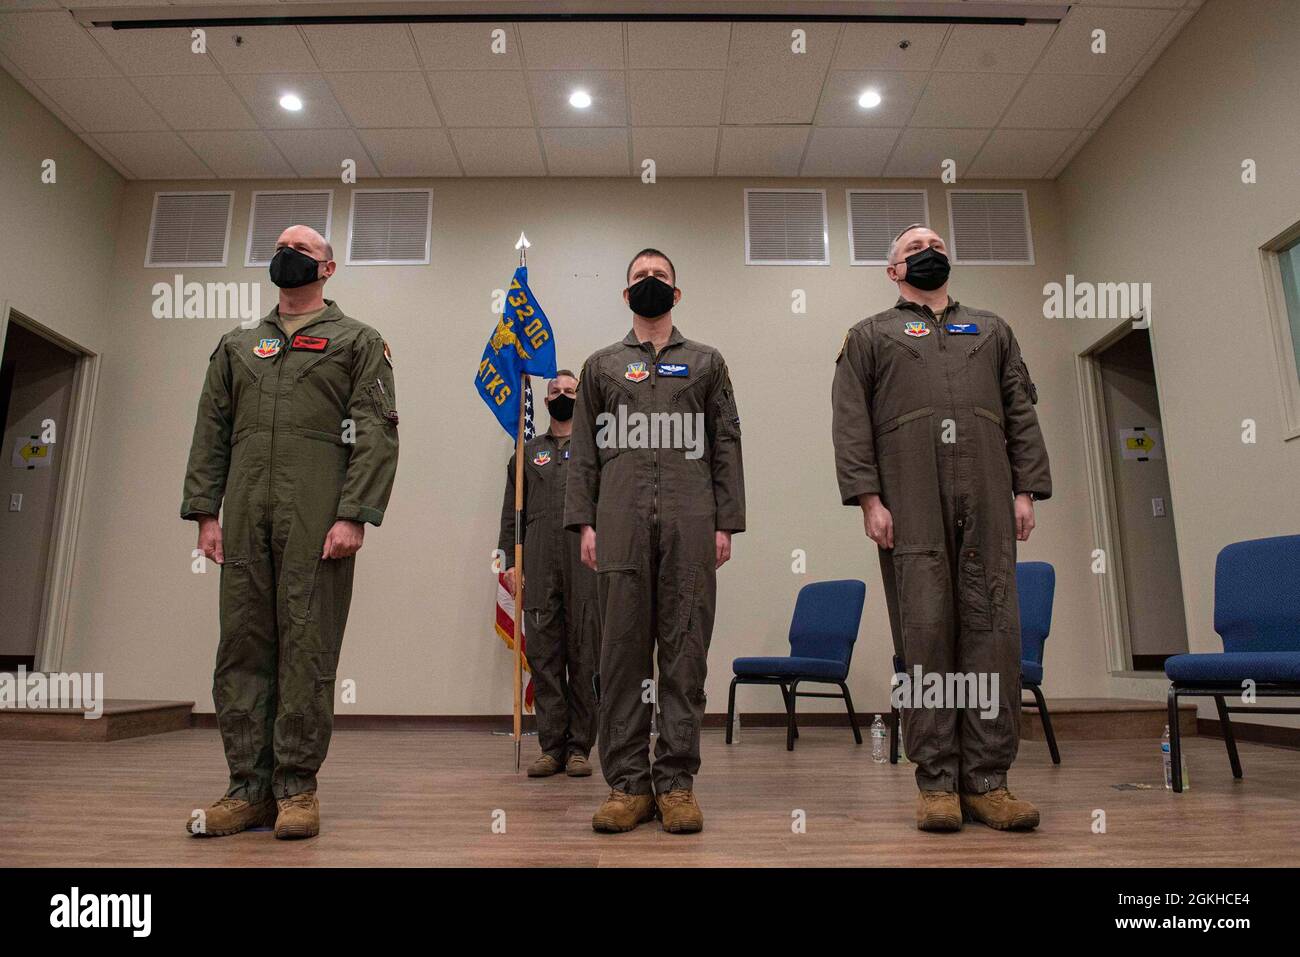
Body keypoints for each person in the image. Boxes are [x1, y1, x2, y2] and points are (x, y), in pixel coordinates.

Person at [180, 224, 399, 840]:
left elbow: (377, 432)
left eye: (302, 249)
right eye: (280, 247)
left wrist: (354, 512)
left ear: (328, 269)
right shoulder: (237, 345)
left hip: (316, 511)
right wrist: (206, 513)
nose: (287, 255)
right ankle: (246, 789)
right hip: (246, 511)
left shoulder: (359, 342)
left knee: (308, 646)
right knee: (243, 646)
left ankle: (297, 787)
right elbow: (210, 431)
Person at [831, 224, 1051, 832]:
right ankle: (936, 783)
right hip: (911, 497)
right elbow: (851, 425)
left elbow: (1020, 410)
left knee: (993, 631)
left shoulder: (991, 329)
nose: (928, 251)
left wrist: (1024, 489)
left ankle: (988, 781)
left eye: (935, 244)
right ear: (893, 271)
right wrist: (870, 500)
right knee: (925, 634)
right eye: (913, 248)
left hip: (987, 492)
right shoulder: (870, 336)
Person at [565, 248, 745, 834]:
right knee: (619, 655)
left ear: (677, 292)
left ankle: (676, 783)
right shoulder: (600, 367)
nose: (650, 283)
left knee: (685, 652)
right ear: (625, 295)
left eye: (660, 277)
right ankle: (626, 786)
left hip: (692, 518)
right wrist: (585, 523)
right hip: (618, 519)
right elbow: (583, 454)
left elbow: (726, 445)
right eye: (640, 277)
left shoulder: (707, 363)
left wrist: (725, 522)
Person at [498, 371, 599, 778]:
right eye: (554, 391)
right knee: (544, 655)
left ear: (580, 398)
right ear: (543, 401)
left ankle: (579, 748)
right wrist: (509, 560)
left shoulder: (595, 451)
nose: (561, 396)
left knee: (584, 653)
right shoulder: (526, 454)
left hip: (584, 559)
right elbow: (512, 514)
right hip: (538, 559)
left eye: (569, 391)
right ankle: (551, 747)